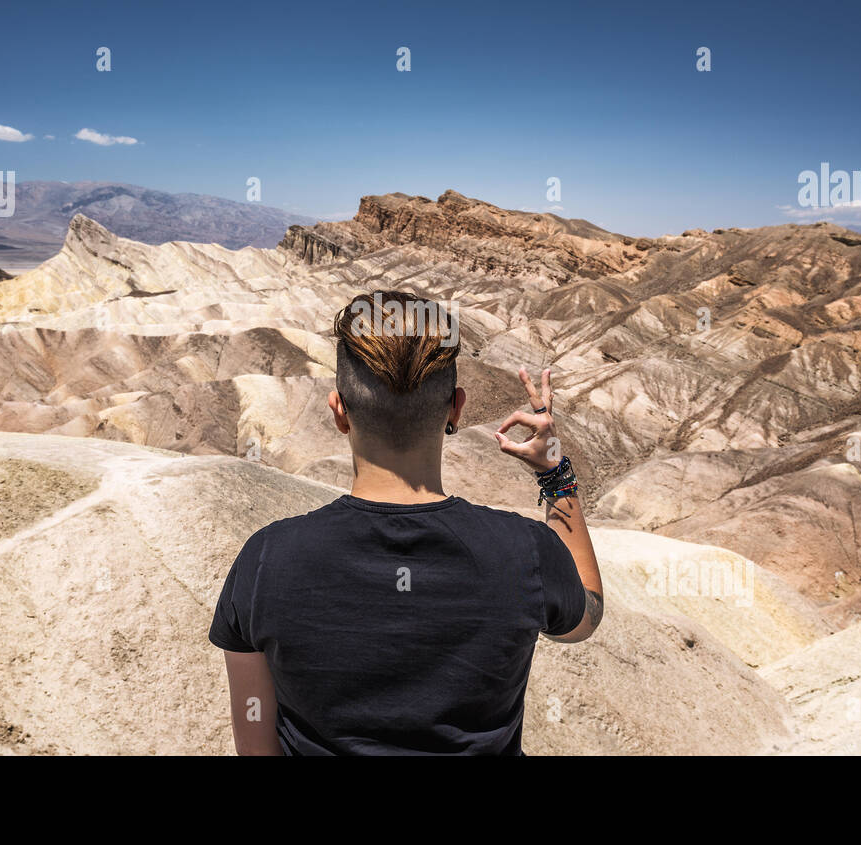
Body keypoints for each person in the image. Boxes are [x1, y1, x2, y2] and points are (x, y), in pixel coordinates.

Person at [208, 289, 604, 755]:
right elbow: (586, 616)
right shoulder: (524, 551)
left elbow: (256, 746)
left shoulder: (266, 559)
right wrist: (555, 475)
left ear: (339, 411)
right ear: (456, 410)